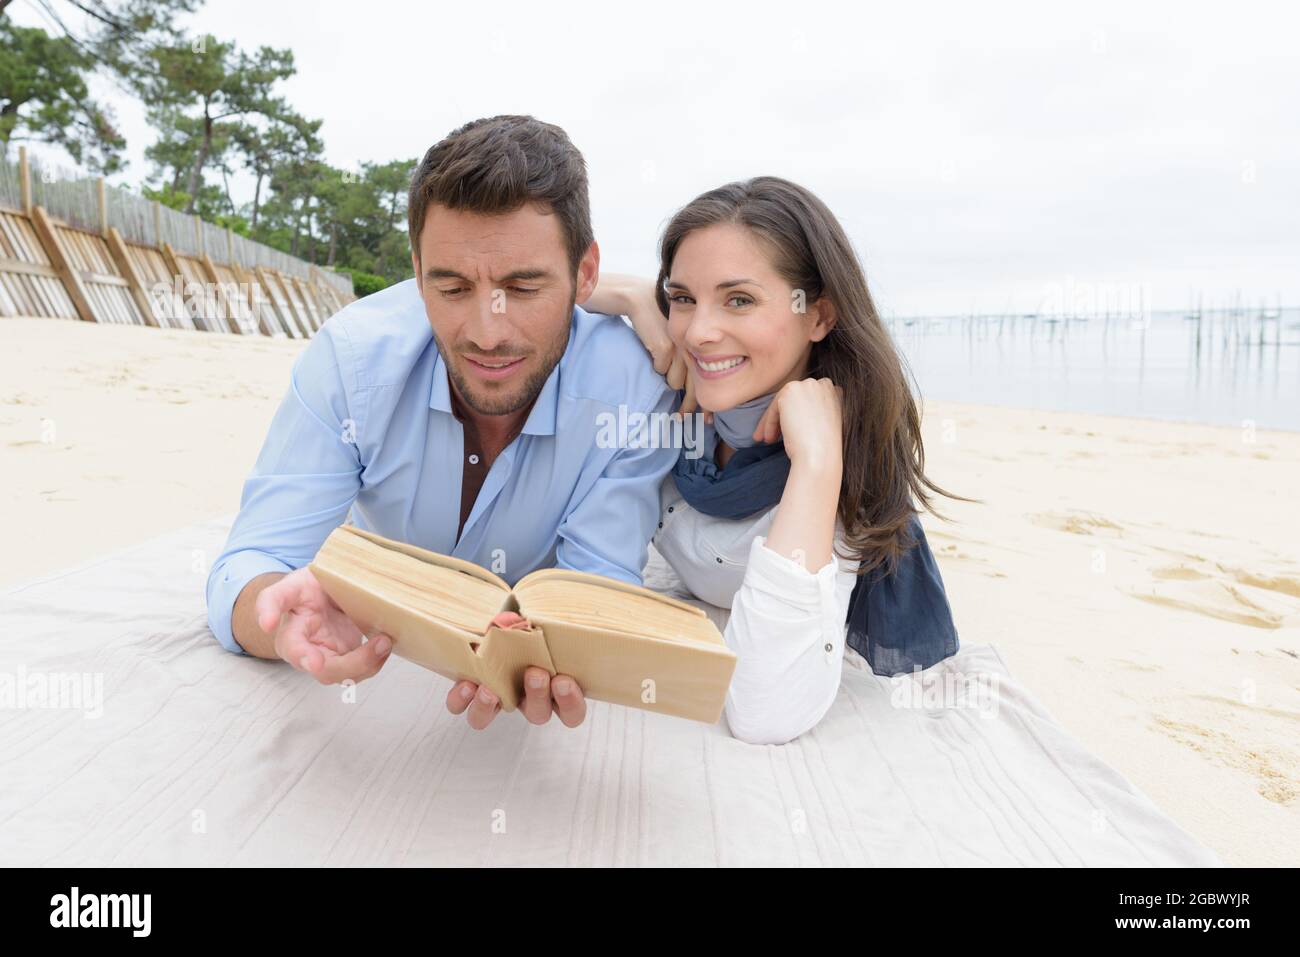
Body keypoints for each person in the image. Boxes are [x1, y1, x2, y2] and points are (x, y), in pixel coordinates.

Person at [205, 115, 679, 731]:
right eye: (451, 288)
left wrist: (561, 655)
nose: (487, 332)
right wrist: (283, 624)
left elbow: (599, 582)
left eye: (524, 287)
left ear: (586, 274)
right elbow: (253, 561)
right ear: (416, 268)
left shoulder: (636, 389)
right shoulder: (352, 359)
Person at [584, 176, 964, 745]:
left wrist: (814, 466)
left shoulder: (839, 468)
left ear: (818, 316)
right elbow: (492, 299)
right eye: (684, 297)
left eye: (739, 300)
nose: (701, 332)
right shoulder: (663, 386)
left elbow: (764, 711)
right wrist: (632, 294)